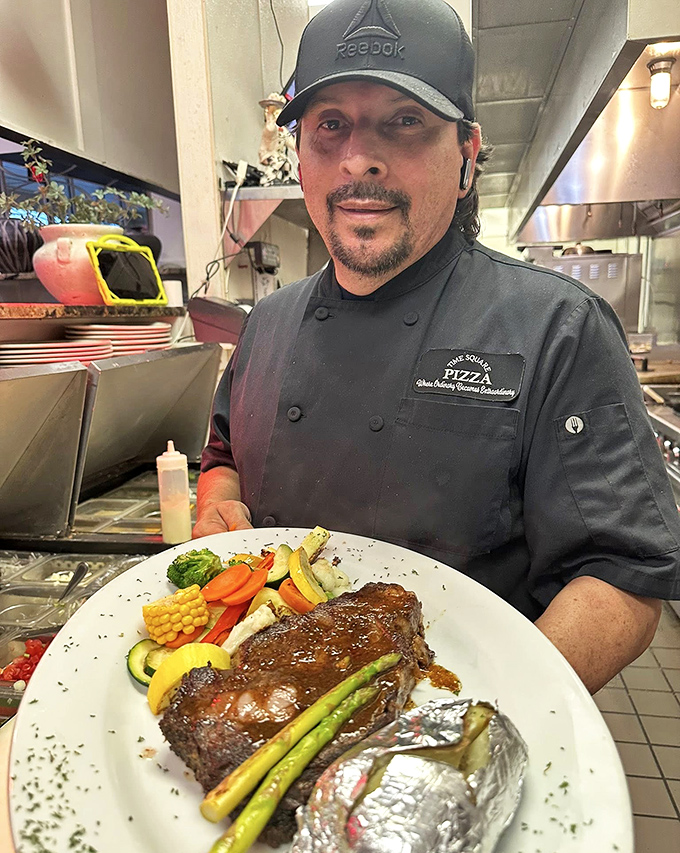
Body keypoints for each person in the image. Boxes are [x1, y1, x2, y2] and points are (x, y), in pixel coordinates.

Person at [194, 0, 680, 693]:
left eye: (405, 123)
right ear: (299, 155)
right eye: (330, 126)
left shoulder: (558, 328)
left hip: (455, 706)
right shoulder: (265, 323)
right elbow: (222, 456)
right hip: (261, 704)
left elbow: (622, 577)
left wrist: (490, 712)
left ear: (467, 157)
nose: (360, 158)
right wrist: (218, 504)